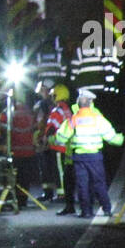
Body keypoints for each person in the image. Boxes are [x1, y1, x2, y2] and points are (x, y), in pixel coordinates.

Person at [55, 89, 124, 219]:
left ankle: (86, 212)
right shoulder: (97, 118)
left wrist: (54, 138)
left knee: (82, 185)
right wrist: (121, 138)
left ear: (78, 104)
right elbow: (111, 137)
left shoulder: (73, 119)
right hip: (95, 157)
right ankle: (107, 209)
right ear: (90, 103)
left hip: (79, 158)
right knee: (99, 183)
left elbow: (61, 138)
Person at [44, 84, 74, 212]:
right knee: (65, 171)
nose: (52, 98)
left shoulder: (57, 111)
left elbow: (51, 127)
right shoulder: (67, 109)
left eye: (53, 95)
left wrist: (46, 138)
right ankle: (65, 194)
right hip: (67, 145)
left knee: (60, 171)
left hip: (58, 145)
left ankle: (62, 194)